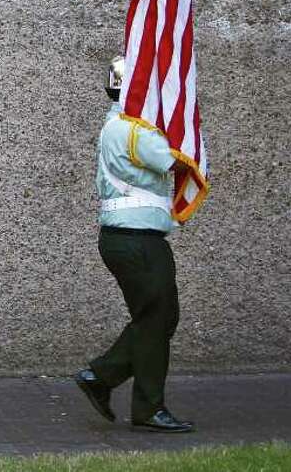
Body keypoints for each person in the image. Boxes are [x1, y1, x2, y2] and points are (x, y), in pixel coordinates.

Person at [75, 56, 195, 433]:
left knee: (159, 317)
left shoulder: (124, 125)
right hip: (134, 241)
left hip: (135, 240)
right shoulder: (130, 128)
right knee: (156, 318)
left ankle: (101, 376)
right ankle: (146, 407)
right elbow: (174, 160)